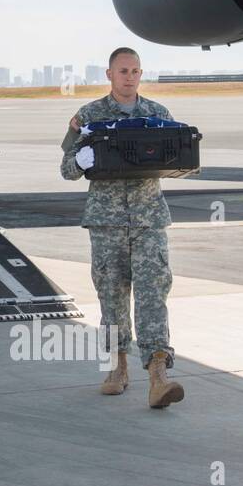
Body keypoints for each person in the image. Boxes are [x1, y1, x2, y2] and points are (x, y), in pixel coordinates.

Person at [59, 47, 185, 409]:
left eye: (134, 71)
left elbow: (179, 158)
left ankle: (158, 376)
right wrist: (81, 160)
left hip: (148, 220)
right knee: (111, 297)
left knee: (152, 294)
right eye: (123, 71)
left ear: (140, 74)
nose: (129, 77)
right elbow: (66, 169)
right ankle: (117, 367)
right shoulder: (88, 116)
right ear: (110, 75)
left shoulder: (158, 115)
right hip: (106, 222)